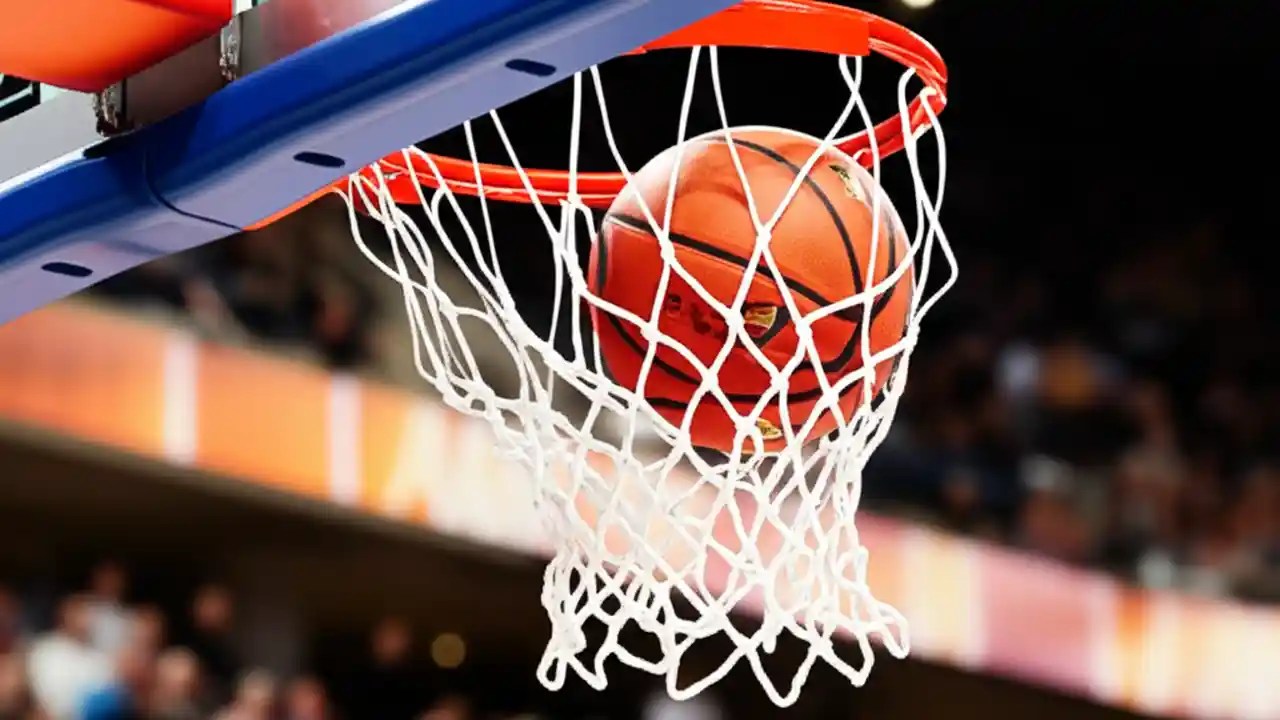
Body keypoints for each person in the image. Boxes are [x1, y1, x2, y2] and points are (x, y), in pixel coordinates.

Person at [25, 595, 111, 720]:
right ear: (66, 616)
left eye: (89, 615)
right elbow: (35, 692)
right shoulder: (44, 648)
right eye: (80, 614)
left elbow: (103, 697)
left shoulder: (100, 658)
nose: (86, 620)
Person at [346, 617, 424, 720]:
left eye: (398, 638)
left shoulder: (418, 683)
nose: (394, 643)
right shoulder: (355, 679)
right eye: (389, 637)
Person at [85, 563, 131, 656]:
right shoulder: (81, 613)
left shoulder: (130, 618)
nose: (109, 583)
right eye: (105, 578)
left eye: (114, 579)